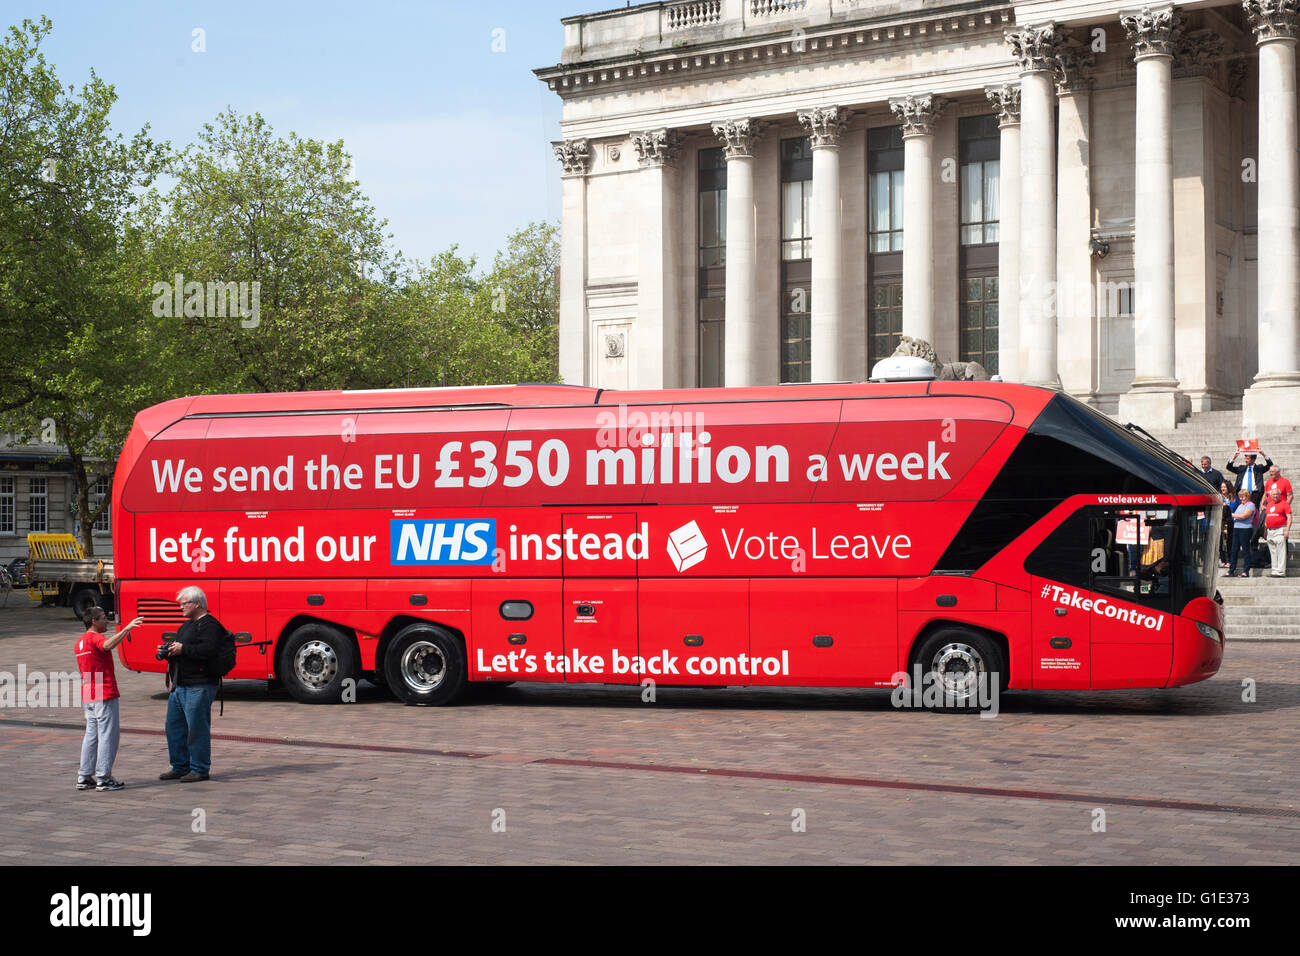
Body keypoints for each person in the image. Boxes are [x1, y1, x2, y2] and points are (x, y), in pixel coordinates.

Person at [160, 586, 224, 783]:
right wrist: (167, 651)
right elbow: (183, 650)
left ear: (197, 603)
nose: (181, 607)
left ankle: (199, 769)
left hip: (199, 684)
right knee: (174, 727)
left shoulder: (210, 625)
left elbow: (209, 650)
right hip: (180, 685)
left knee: (197, 728)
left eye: (184, 603)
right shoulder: (186, 626)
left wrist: (183, 649)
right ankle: (180, 766)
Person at [75, 607, 144, 791]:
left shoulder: (80, 642)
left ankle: (84, 775)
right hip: (103, 690)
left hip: (89, 690)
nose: (107, 621)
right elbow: (107, 645)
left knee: (92, 735)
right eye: (104, 618)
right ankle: (104, 777)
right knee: (108, 735)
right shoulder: (95, 638)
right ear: (93, 621)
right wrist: (127, 629)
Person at [1263, 484, 1292, 577]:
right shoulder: (1269, 505)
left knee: (1281, 551)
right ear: (1270, 496)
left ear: (1280, 495)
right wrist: (1265, 529)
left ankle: (1281, 571)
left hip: (1280, 529)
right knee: (1273, 552)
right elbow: (1267, 517)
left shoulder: (1284, 503)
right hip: (1270, 531)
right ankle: (1274, 571)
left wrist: (1287, 530)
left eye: (1277, 494)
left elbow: (1289, 517)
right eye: (1273, 494)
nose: (1275, 496)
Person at [1228, 489, 1257, 577]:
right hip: (1236, 528)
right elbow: (1238, 516)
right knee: (1234, 550)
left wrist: (1232, 515)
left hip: (1245, 529)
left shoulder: (1251, 505)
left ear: (1248, 496)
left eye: (1243, 497)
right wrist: (1235, 516)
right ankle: (1231, 570)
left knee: (1245, 550)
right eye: (1240, 497)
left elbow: (1244, 516)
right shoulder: (1240, 505)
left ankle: (1246, 571)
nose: (1241, 499)